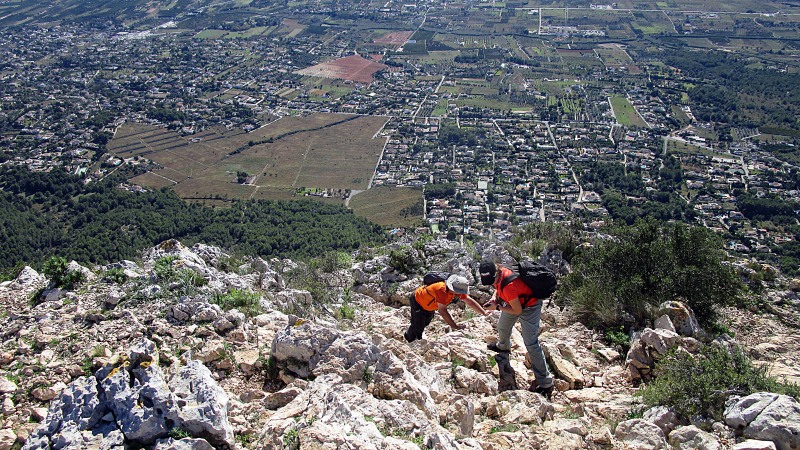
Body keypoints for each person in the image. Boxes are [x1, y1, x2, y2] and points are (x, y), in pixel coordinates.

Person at [480, 260, 555, 398]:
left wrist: (496, 307)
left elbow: (517, 310)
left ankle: (546, 383)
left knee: (531, 342)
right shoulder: (500, 273)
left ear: (496, 272)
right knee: (502, 325)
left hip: (530, 307)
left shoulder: (509, 285)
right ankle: (503, 346)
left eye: (491, 280)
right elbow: (498, 288)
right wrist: (495, 299)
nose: (490, 283)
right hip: (514, 301)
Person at [404, 274, 489, 343]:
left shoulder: (455, 291)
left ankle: (414, 334)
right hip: (418, 301)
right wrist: (454, 326)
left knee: (425, 322)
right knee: (418, 325)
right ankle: (409, 339)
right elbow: (443, 311)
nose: (460, 294)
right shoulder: (441, 290)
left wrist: (484, 312)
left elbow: (469, 301)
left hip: (429, 305)